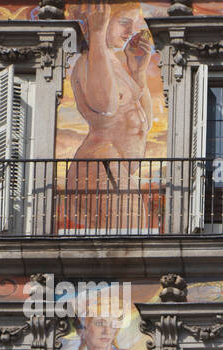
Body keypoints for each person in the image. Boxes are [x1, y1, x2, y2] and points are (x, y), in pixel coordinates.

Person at [63, 2, 155, 230]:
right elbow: (105, 105)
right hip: (101, 168)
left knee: (132, 238)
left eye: (133, 24)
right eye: (124, 22)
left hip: (116, 169)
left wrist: (138, 73)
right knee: (127, 241)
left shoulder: (112, 63)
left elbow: (146, 122)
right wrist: (97, 33)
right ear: (101, 19)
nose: (130, 31)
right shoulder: (89, 61)